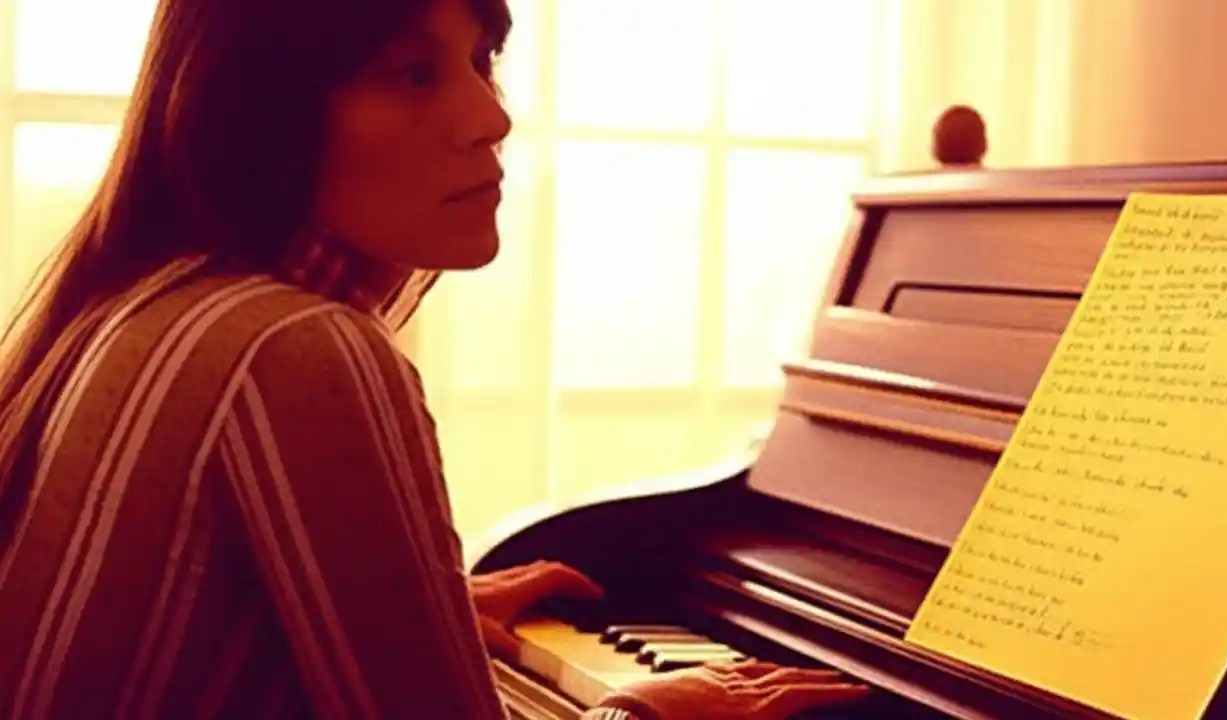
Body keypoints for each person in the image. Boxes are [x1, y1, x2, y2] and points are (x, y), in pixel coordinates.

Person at [0, 0, 871, 717]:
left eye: (482, 57)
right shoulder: (297, 349)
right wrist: (649, 712)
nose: (491, 118)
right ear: (263, 113)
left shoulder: (150, 304)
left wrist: (416, 610)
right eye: (414, 74)